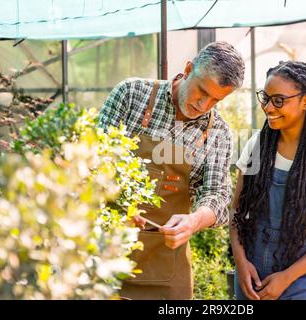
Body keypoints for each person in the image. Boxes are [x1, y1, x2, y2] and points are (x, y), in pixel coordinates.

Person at [98, 41, 245, 299]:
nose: (204, 105)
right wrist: (118, 202)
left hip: (166, 266)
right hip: (106, 255)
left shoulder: (218, 133)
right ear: (188, 69)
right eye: (202, 91)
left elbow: (218, 196)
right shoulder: (131, 95)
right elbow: (94, 160)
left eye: (216, 100)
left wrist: (193, 220)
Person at [230, 60, 306, 300]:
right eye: (265, 98)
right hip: (251, 274)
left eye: (279, 100)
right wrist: (241, 262)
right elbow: (236, 210)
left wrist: (287, 277)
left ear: (305, 101)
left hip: (302, 279)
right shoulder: (258, 145)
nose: (268, 108)